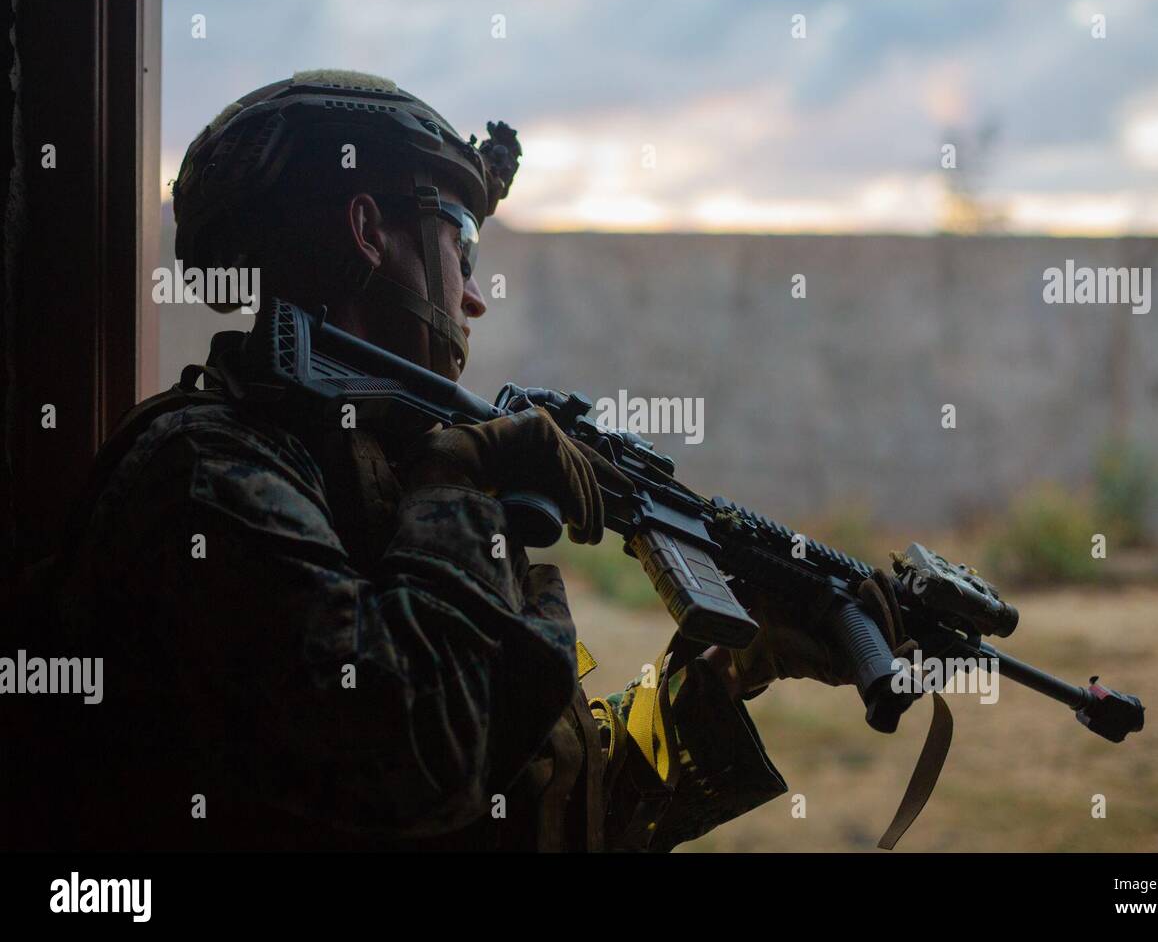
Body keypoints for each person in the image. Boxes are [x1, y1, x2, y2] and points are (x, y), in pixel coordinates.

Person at [45, 71, 903, 851]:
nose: (474, 297)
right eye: (463, 247)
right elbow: (413, 760)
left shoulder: (369, 477)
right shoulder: (205, 480)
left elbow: (541, 797)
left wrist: (725, 676)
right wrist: (457, 491)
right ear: (367, 233)